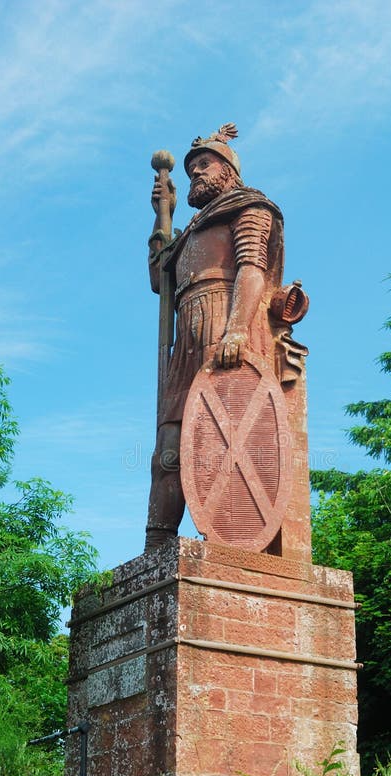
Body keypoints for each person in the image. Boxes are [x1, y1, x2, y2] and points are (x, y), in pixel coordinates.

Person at [144, 124, 285, 552]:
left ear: (228, 170)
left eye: (204, 165)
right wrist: (162, 216)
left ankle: (243, 542)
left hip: (225, 325)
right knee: (168, 451)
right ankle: (158, 544)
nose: (196, 174)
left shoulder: (250, 206)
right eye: (190, 170)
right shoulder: (189, 231)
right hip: (185, 341)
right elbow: (159, 280)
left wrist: (237, 328)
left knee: (231, 439)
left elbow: (251, 268)